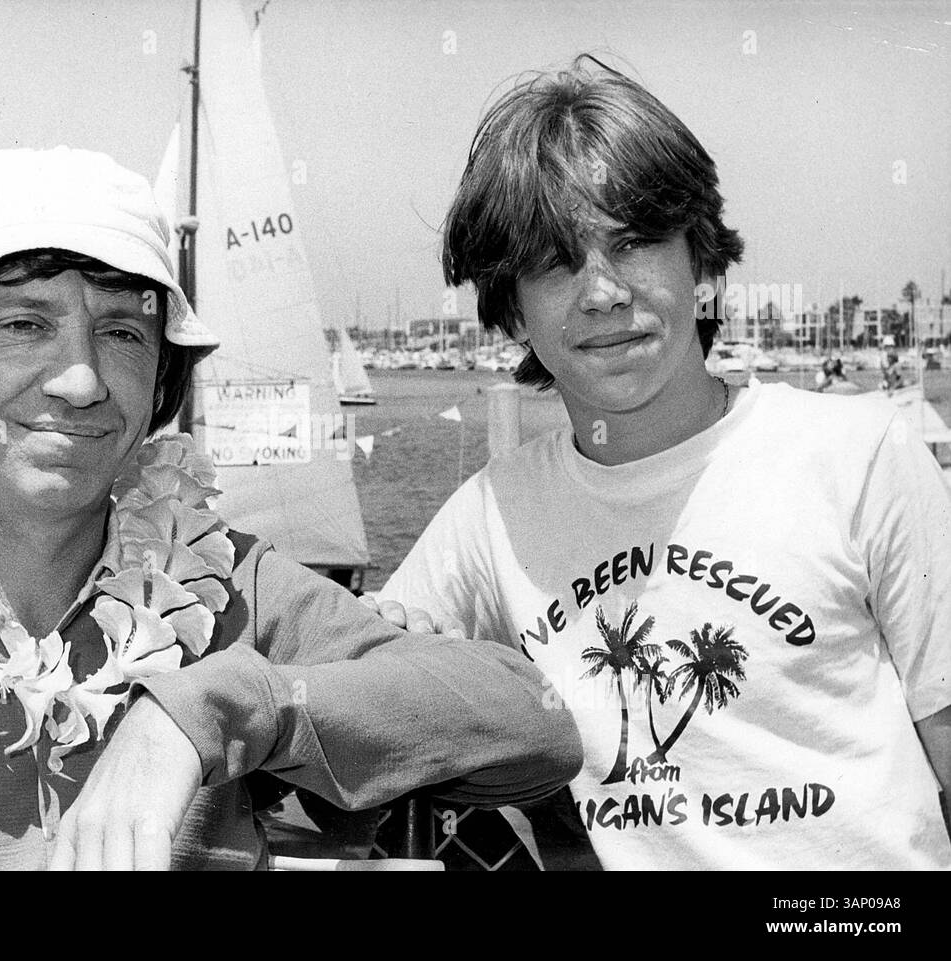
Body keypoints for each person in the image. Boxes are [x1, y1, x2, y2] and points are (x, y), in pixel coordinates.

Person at [0, 146, 581, 870]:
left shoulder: (234, 594)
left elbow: (533, 718)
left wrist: (205, 710)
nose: (83, 378)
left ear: (162, 386)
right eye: (23, 323)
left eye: (124, 332)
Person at [372, 58, 951, 869]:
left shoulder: (861, 457)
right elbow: (348, 683)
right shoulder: (491, 516)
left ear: (703, 264)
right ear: (510, 306)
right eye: (556, 261)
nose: (603, 292)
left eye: (635, 242)